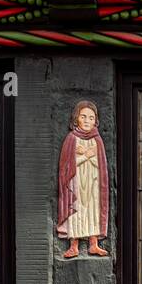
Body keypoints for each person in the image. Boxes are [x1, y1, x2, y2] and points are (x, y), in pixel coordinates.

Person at [57, 100, 109, 259]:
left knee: (93, 210)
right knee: (76, 209)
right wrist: (84, 156)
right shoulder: (71, 138)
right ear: (76, 119)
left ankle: (93, 244)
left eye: (91, 118)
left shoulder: (97, 140)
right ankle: (74, 245)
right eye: (84, 117)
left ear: (96, 121)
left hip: (93, 182)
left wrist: (89, 157)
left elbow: (101, 164)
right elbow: (66, 165)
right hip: (76, 182)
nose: (87, 121)